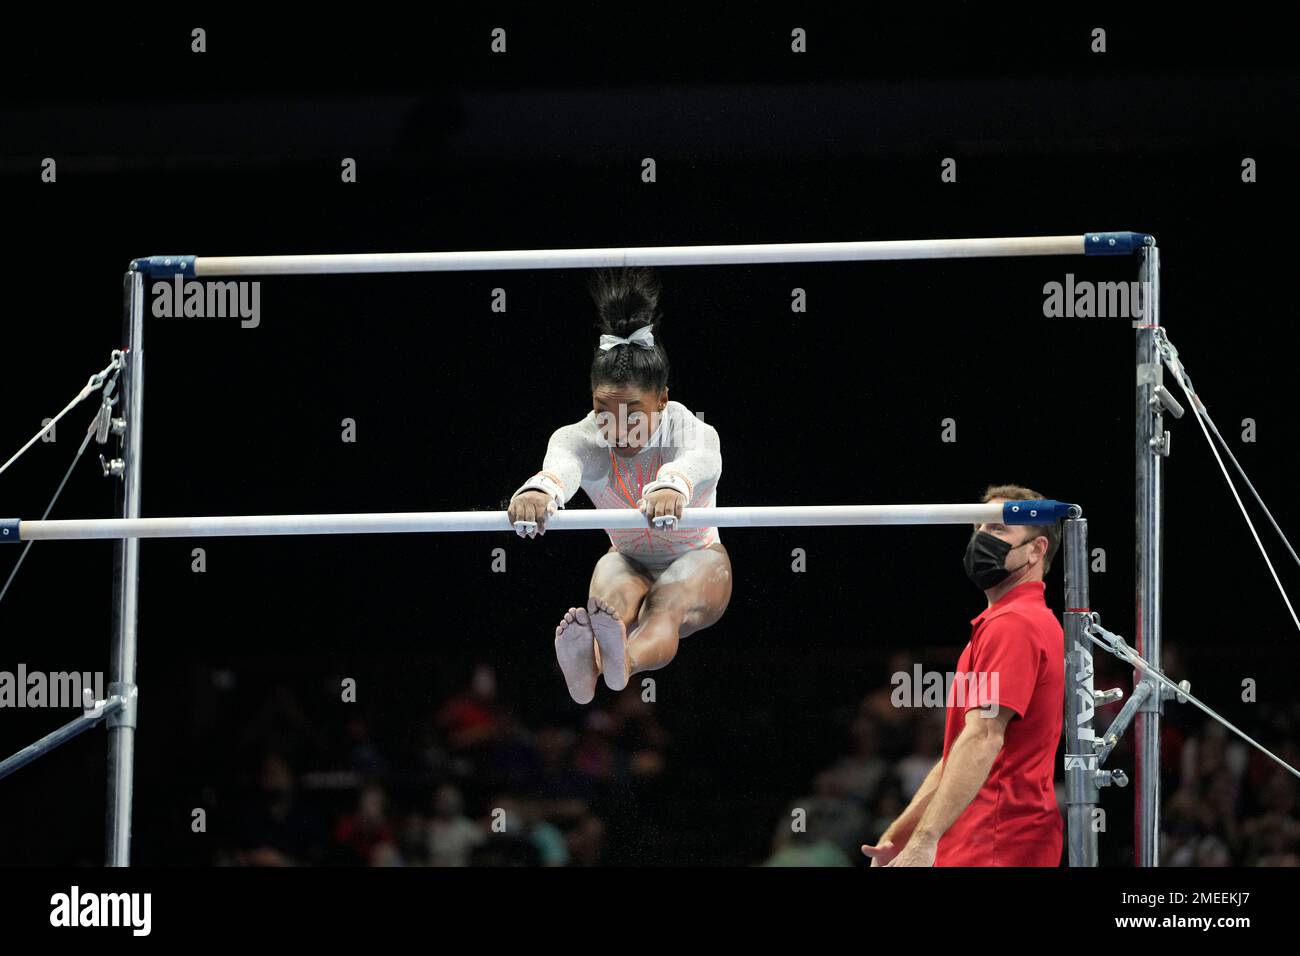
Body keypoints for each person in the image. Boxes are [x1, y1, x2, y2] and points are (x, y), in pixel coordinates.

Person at [508, 267, 733, 704]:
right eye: (602, 409)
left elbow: (702, 459)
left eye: (633, 411)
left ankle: (618, 664)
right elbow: (562, 465)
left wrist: (674, 484)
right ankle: (593, 664)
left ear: (662, 399)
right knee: (609, 604)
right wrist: (541, 492)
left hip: (699, 557)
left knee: (663, 607)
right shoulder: (581, 436)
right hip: (626, 557)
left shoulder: (688, 429)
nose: (617, 425)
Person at [862, 484, 1065, 866]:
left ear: (1037, 550)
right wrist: (903, 832)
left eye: (997, 529)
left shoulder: (1015, 625)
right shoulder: (1003, 623)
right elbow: (959, 748)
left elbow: (985, 737)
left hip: (996, 840)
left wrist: (925, 840)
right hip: (982, 836)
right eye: (979, 528)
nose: (981, 538)